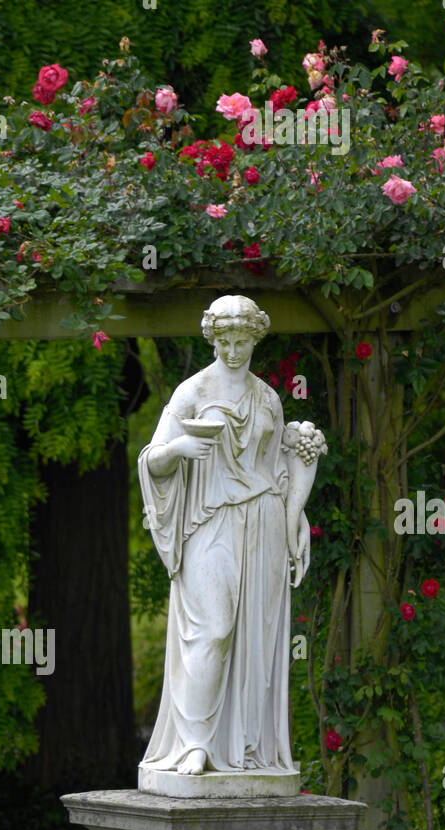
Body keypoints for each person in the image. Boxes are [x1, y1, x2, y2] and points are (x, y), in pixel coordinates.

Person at [137, 294, 313, 777]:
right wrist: (179, 448)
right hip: (208, 522)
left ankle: (246, 745)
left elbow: (278, 468)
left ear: (254, 338)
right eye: (224, 341)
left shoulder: (268, 398)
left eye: (241, 341)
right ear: (212, 338)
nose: (233, 350)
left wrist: (295, 520)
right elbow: (151, 459)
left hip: (263, 523)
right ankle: (195, 742)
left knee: (254, 638)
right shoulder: (191, 392)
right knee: (212, 630)